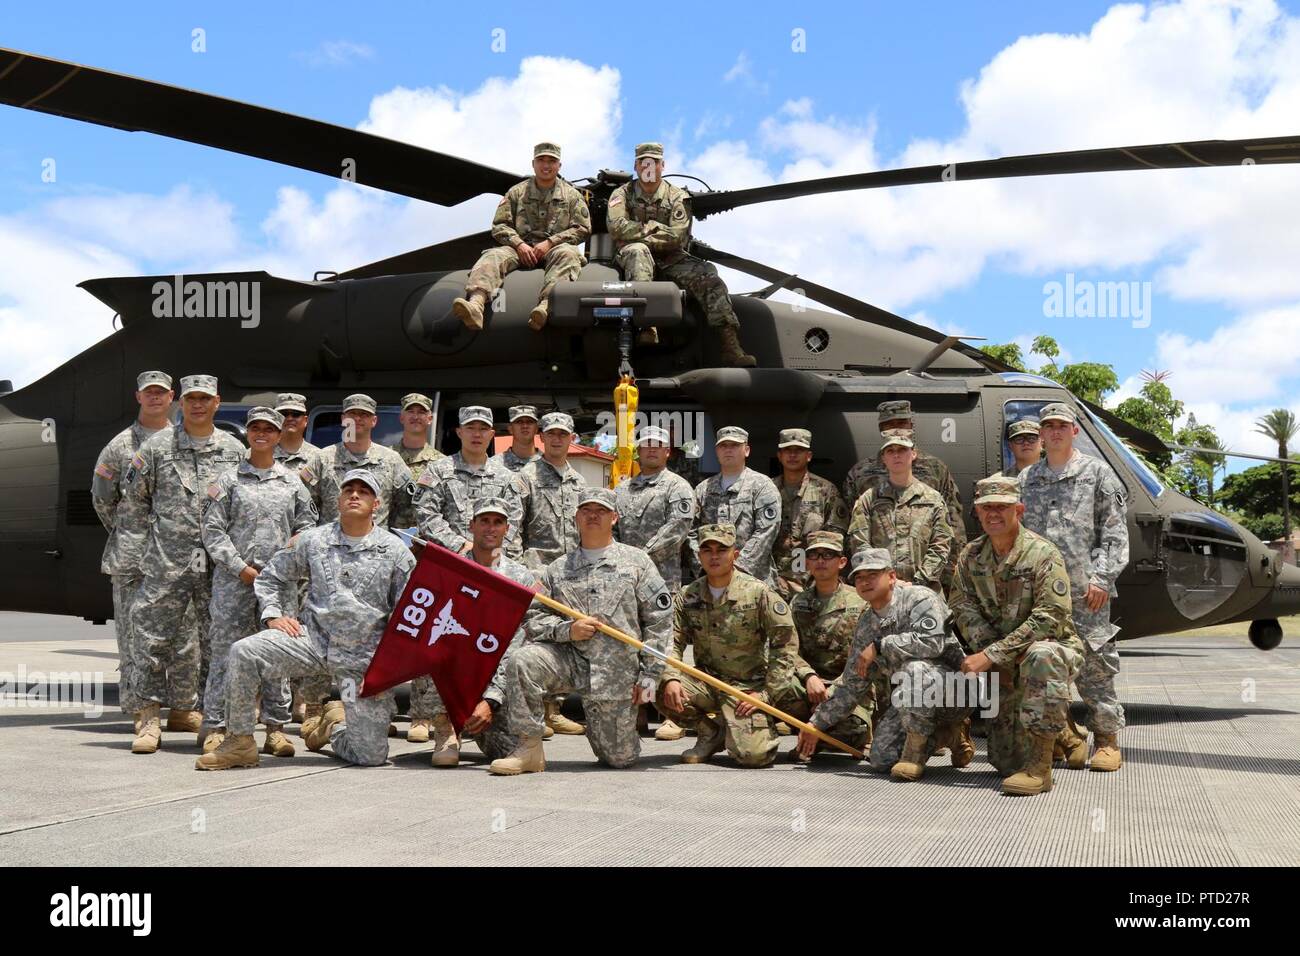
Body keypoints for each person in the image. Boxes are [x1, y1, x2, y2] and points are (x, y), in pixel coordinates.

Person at [196, 471, 416, 769]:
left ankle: (332, 727)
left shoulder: (395, 552)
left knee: (371, 756)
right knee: (244, 651)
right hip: (312, 643)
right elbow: (271, 577)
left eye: (363, 492)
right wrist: (273, 614)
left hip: (361, 660)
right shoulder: (313, 541)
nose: (354, 495)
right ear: (338, 500)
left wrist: (384, 668)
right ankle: (240, 741)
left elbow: (406, 616)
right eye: (348, 490)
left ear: (376, 503)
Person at [490, 489, 672, 774]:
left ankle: (605, 727)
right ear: (576, 517)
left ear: (614, 518)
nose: (593, 516)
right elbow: (533, 618)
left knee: (619, 759)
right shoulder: (558, 569)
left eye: (600, 511)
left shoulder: (637, 563)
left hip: (616, 672)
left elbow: (659, 620)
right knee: (522, 661)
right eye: (586, 510)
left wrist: (650, 675)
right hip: (570, 660)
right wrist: (567, 630)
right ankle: (529, 748)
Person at [120, 374, 245, 753]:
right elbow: (133, 503)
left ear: (217, 402)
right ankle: (147, 720)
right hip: (166, 563)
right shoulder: (156, 448)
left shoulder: (234, 451)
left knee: (217, 641)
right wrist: (143, 556)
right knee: (151, 638)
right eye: (191, 398)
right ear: (181, 402)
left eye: (204, 399)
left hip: (217, 564)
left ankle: (214, 724)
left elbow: (242, 507)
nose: (197, 405)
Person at [950, 476, 1084, 796]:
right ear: (977, 513)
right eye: (986, 508)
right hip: (1003, 660)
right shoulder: (970, 556)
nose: (993, 513)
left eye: (1002, 507)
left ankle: (1040, 770)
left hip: (1052, 648)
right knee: (1005, 761)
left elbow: (1050, 617)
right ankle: (1064, 734)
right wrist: (991, 654)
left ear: (1019, 510)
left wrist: (996, 655)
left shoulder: (1042, 554)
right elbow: (961, 606)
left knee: (1041, 656)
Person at [1019, 402, 1130, 772]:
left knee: (1095, 668)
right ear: (1041, 434)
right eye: (1048, 426)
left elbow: (1114, 533)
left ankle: (1108, 741)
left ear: (1074, 431)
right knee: (1043, 666)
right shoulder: (1026, 480)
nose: (1054, 432)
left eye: (1061, 426)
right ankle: (1065, 736)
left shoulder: (1097, 475)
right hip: (1040, 594)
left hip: (1086, 591)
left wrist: (1102, 579)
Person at [199, 407, 316, 756]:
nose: (262, 434)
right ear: (247, 434)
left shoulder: (292, 482)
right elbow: (213, 530)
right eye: (255, 428)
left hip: (279, 584)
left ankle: (276, 729)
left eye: (270, 429)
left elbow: (307, 525)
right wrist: (241, 568)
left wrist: (289, 555)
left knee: (278, 653)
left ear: (280, 435)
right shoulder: (229, 480)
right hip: (235, 582)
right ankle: (218, 727)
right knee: (225, 653)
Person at [797, 548, 973, 779]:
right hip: (911, 702)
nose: (865, 582)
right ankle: (949, 735)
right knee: (882, 759)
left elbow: (932, 643)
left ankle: (914, 756)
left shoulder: (920, 598)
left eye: (872, 575)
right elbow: (852, 684)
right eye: (859, 577)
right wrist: (816, 723)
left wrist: (881, 645)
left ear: (891, 577)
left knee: (914, 669)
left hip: (955, 693)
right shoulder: (866, 624)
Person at [410, 406, 519, 749]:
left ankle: (482, 707)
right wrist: (462, 545)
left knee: (487, 640)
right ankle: (431, 717)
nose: (477, 434)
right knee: (439, 635)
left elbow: (513, 525)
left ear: (491, 435)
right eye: (470, 428)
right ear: (458, 432)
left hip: (493, 574)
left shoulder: (507, 478)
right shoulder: (438, 470)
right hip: (451, 570)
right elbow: (425, 515)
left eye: (483, 429)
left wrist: (500, 565)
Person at [657, 523, 798, 768]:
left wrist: (766, 694)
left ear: (735, 554)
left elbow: (785, 644)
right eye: (707, 550)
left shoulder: (758, 593)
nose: (714, 556)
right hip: (706, 683)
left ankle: (751, 725)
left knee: (753, 757)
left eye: (721, 550)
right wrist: (670, 678)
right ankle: (710, 732)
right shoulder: (688, 595)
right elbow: (672, 643)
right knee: (655, 681)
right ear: (698, 555)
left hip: (746, 688)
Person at [605, 142, 755, 367]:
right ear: (636, 166)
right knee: (639, 251)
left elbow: (677, 236)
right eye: (644, 162)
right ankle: (647, 326)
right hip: (632, 256)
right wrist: (654, 230)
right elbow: (616, 227)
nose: (649, 167)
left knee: (710, 278)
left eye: (654, 162)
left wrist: (638, 231)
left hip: (672, 258)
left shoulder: (677, 196)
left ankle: (730, 346)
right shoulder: (621, 194)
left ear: (662, 166)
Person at [91, 370, 175, 728]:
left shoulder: (183, 441)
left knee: (183, 635)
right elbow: (102, 498)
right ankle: (141, 711)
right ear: (138, 397)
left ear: (172, 397)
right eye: (148, 392)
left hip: (177, 558)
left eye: (161, 392)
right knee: (132, 635)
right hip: (133, 559)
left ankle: (184, 706)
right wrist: (131, 533)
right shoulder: (120, 446)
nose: (154, 397)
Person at [431, 498, 538, 767]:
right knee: (429, 644)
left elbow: (517, 644)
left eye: (498, 522)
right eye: (484, 521)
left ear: (507, 529)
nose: (490, 528)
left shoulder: (520, 579)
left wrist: (492, 698)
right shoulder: (450, 570)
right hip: (453, 669)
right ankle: (448, 727)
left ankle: (475, 718)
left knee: (508, 749)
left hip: (494, 673)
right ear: (471, 526)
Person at [613, 424, 697, 740]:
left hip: (663, 582)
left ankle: (672, 714)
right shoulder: (621, 490)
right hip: (625, 584)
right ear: (638, 451)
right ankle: (637, 713)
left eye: (657, 445)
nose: (651, 449)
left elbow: (678, 528)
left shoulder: (678, 487)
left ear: (667, 452)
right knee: (630, 646)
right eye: (645, 444)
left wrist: (640, 559)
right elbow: (614, 533)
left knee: (664, 646)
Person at [452, 143, 591, 331]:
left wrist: (550, 243)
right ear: (533, 164)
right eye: (541, 160)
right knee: (493, 256)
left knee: (568, 254)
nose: (546, 165)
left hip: (554, 250)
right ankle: (476, 305)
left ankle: (545, 307)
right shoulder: (516, 192)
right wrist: (519, 244)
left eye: (552, 161)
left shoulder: (572, 196)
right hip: (520, 249)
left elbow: (582, 228)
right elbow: (500, 225)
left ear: (559, 166)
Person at [842, 400, 966, 588]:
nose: (896, 430)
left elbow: (953, 522)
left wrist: (949, 573)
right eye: (889, 425)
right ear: (881, 429)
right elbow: (854, 531)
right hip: (880, 582)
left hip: (927, 578)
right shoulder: (860, 473)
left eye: (901, 424)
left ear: (911, 426)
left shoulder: (935, 468)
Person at [771, 531, 871, 761]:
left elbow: (862, 660)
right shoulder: (798, 602)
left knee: (852, 730)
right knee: (777, 683)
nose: (820, 561)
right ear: (806, 562)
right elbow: (788, 648)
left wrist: (831, 696)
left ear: (842, 562)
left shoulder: (860, 601)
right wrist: (808, 676)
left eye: (828, 555)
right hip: (812, 687)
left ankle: (814, 733)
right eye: (814, 556)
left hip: (847, 688)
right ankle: (812, 731)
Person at [300, 393, 415, 528]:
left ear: (374, 420)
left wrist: (392, 537)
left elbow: (408, 505)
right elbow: (304, 505)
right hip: (330, 545)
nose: (357, 418)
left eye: (364, 414)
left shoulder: (392, 460)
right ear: (343, 419)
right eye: (352, 413)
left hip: (376, 545)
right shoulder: (322, 458)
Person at [692, 426, 781, 586]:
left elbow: (767, 531)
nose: (728, 450)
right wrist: (704, 566)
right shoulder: (703, 489)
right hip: (711, 580)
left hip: (753, 580)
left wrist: (737, 568)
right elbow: (690, 531)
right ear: (717, 451)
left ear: (746, 450)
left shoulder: (761, 485)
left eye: (734, 445)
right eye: (723, 446)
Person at [772, 428, 849, 600]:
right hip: (773, 581)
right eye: (787, 450)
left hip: (814, 581)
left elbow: (836, 536)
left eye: (798, 450)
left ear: (808, 456)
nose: (792, 455)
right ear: (779, 455)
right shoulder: (767, 489)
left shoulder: (826, 491)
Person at [391, 392, 444, 481]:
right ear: (401, 418)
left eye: (421, 412)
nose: (415, 417)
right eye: (410, 411)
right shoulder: (387, 458)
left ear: (430, 419)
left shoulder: (441, 462)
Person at [273, 393, 320, 472]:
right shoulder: (259, 454)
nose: (289, 418)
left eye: (296, 414)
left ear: (305, 420)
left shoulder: (319, 457)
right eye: (284, 414)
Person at [499, 405, 540, 472]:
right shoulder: (494, 464)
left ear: (536, 429)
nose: (525, 426)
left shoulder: (550, 463)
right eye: (519, 422)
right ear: (510, 429)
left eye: (529, 422)